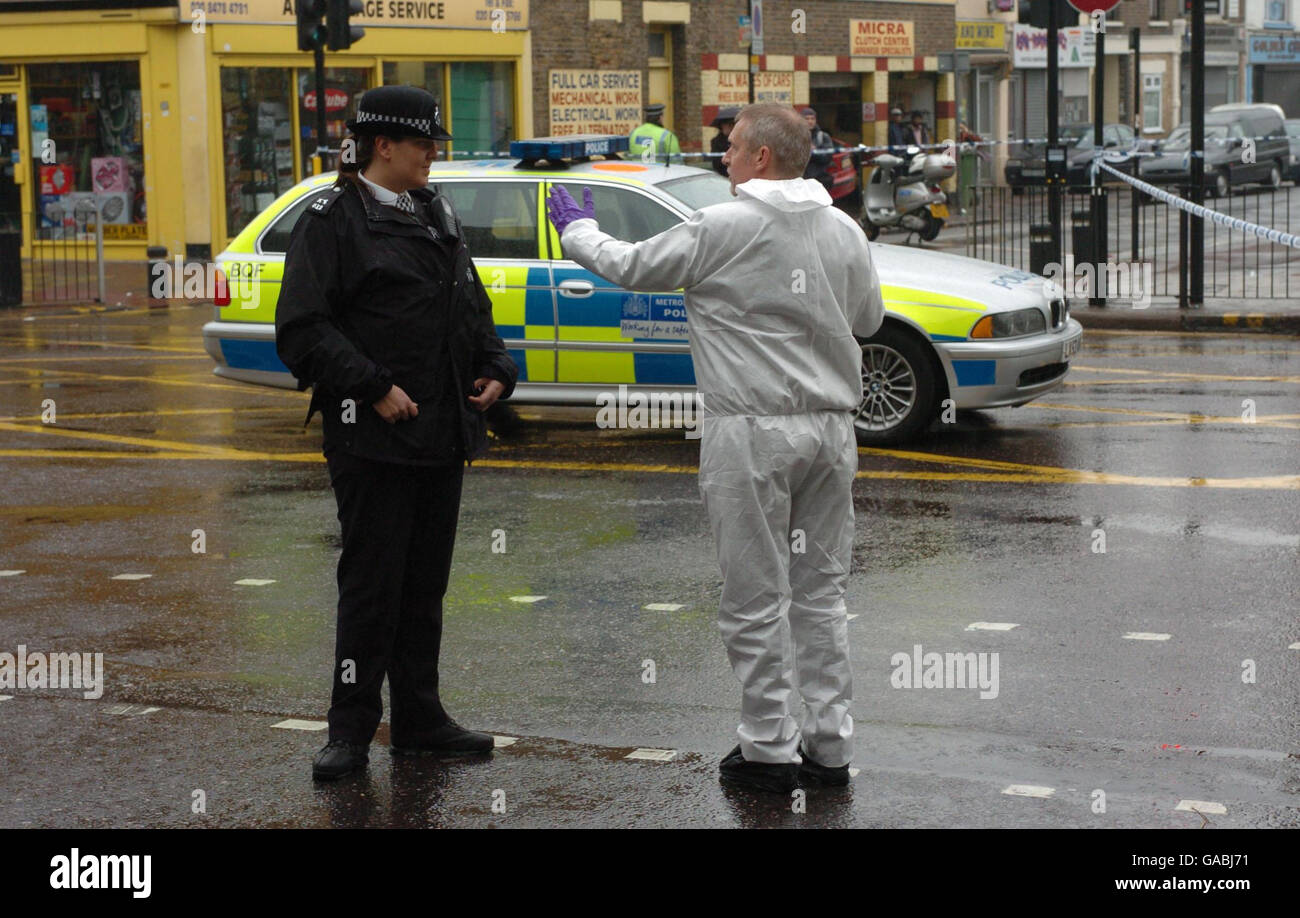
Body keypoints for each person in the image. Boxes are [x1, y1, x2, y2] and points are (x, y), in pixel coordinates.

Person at [546, 103, 884, 794]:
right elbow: (870, 319)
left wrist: (577, 228)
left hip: (752, 430)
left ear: (762, 157)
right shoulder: (844, 229)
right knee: (820, 596)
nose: (722, 157)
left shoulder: (724, 225)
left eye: (731, 147)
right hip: (830, 430)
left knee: (755, 596)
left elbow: (634, 266)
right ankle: (830, 748)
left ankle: (766, 748)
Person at [275, 85, 519, 782]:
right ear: (383, 145)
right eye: (423, 143)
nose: (433, 154)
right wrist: (373, 386)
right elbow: (301, 330)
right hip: (371, 439)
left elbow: (467, 304)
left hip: (442, 435)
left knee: (423, 588)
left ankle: (419, 719)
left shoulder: (433, 209)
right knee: (372, 588)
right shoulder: (332, 220)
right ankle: (349, 731)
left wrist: (497, 366)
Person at [800, 106, 836, 192]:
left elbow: (827, 157)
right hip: (801, 181)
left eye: (812, 118)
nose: (810, 121)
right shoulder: (795, 137)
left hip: (819, 180)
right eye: (807, 119)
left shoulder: (823, 137)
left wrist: (814, 152)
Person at [710, 107, 739, 177]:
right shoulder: (716, 142)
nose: (731, 127)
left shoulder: (742, 140)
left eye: (733, 124)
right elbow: (717, 164)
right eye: (729, 124)